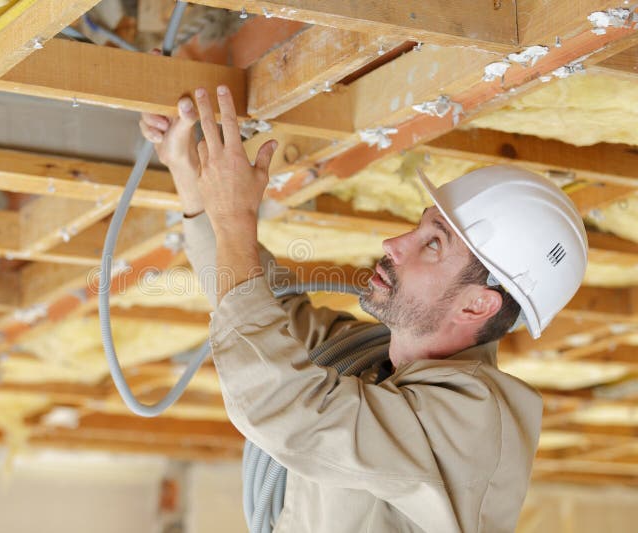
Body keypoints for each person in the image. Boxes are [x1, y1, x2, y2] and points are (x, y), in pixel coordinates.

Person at [139, 86, 588, 533]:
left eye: (433, 243)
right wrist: (188, 171)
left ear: (476, 305)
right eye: (419, 228)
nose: (393, 245)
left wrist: (234, 216)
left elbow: (287, 408)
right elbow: (262, 309)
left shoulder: (471, 424)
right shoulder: (376, 366)